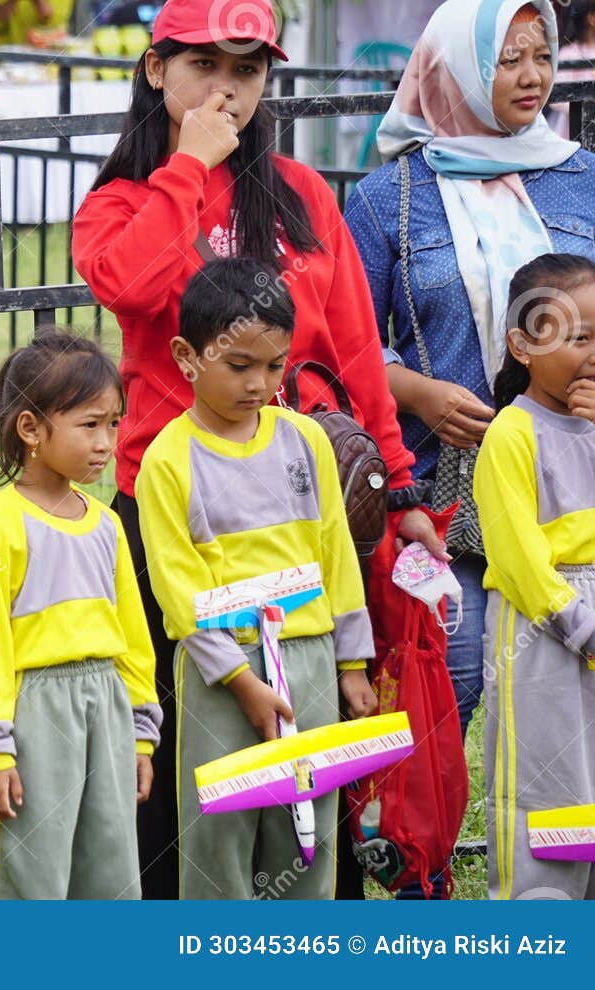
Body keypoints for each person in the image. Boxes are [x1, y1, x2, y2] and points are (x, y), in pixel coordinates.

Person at [71, 0, 435, 900]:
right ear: (157, 70)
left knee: (309, 716)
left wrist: (396, 489)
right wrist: (190, 165)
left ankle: (312, 914)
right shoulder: (122, 200)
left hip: (299, 494)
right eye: (207, 66)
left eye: (250, 70)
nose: (229, 90)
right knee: (188, 722)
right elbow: (128, 284)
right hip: (173, 503)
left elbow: (353, 346)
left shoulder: (304, 195)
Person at [347, 0, 595, 747]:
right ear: (456, 64)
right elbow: (343, 339)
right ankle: (422, 859)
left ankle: (555, 858)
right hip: (440, 492)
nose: (532, 78)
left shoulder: (582, 179)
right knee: (447, 687)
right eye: (506, 60)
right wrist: (416, 390)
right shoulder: (387, 196)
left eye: (542, 56)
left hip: (571, 484)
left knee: (568, 695)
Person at [137, 259, 378, 900]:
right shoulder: (167, 459)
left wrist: (351, 664)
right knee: (221, 828)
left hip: (311, 659)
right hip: (225, 670)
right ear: (187, 357)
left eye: (274, 366)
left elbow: (336, 555)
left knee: (310, 825)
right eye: (238, 365)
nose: (259, 383)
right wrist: (241, 680)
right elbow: (179, 592)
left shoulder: (305, 440)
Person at [0, 330, 159, 900]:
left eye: (114, 424)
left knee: (110, 868)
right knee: (34, 873)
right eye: (89, 424)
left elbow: (134, 641)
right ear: (30, 430)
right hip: (35, 717)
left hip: (108, 712)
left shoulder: (108, 525)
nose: (106, 442)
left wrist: (140, 737)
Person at [475, 253, 595, 901]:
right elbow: (520, 559)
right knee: (545, 790)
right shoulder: (513, 434)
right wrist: (584, 627)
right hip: (544, 633)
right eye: (579, 337)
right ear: (523, 344)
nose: (593, 352)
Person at [552, 0, 595, 137]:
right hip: (571, 126)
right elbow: (557, 95)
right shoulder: (568, 53)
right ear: (591, 18)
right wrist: (584, 110)